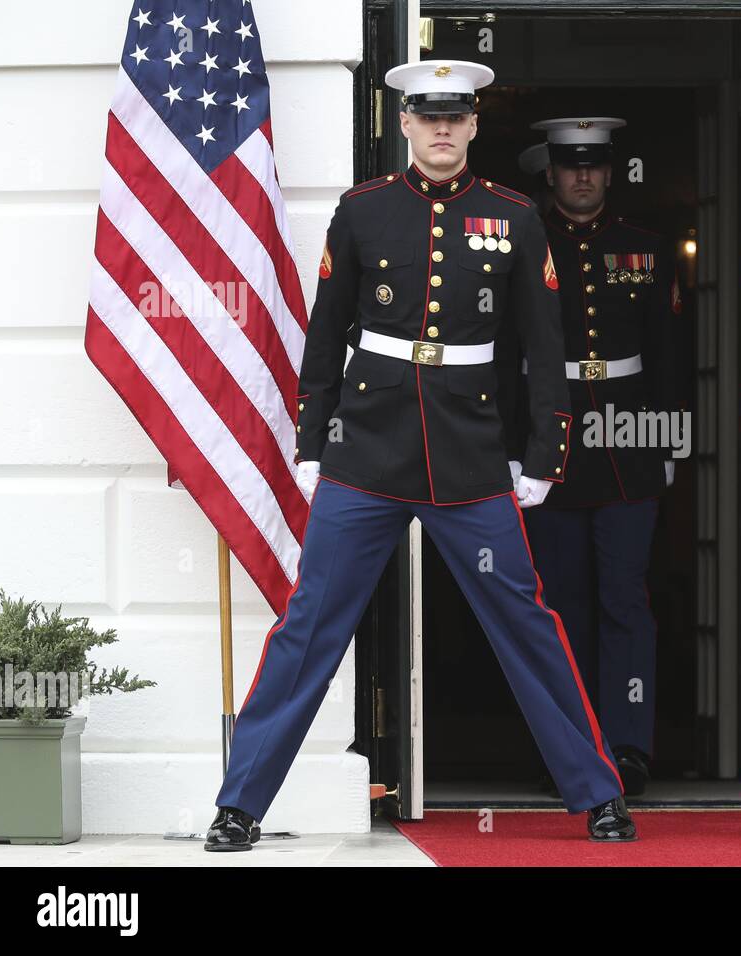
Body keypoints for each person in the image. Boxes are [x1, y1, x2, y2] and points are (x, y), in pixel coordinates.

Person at [205, 59, 637, 850]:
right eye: (427, 115)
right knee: (311, 624)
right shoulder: (363, 210)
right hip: (364, 453)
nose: (441, 129)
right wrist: (311, 437)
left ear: (474, 125)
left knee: (525, 620)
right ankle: (241, 802)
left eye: (456, 116)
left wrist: (544, 454)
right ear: (404, 123)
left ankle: (597, 790)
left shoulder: (512, 216)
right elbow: (326, 330)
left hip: (470, 457)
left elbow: (545, 349)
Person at [507, 117, 679, 795]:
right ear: (550, 173)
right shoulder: (524, 240)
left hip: (630, 439)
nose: (582, 176)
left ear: (611, 173)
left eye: (594, 165)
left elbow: (668, 351)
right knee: (558, 601)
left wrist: (668, 436)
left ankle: (629, 747)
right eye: (569, 165)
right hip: (548, 437)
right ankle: (569, 747)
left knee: (625, 598)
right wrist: (513, 448)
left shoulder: (646, 247)